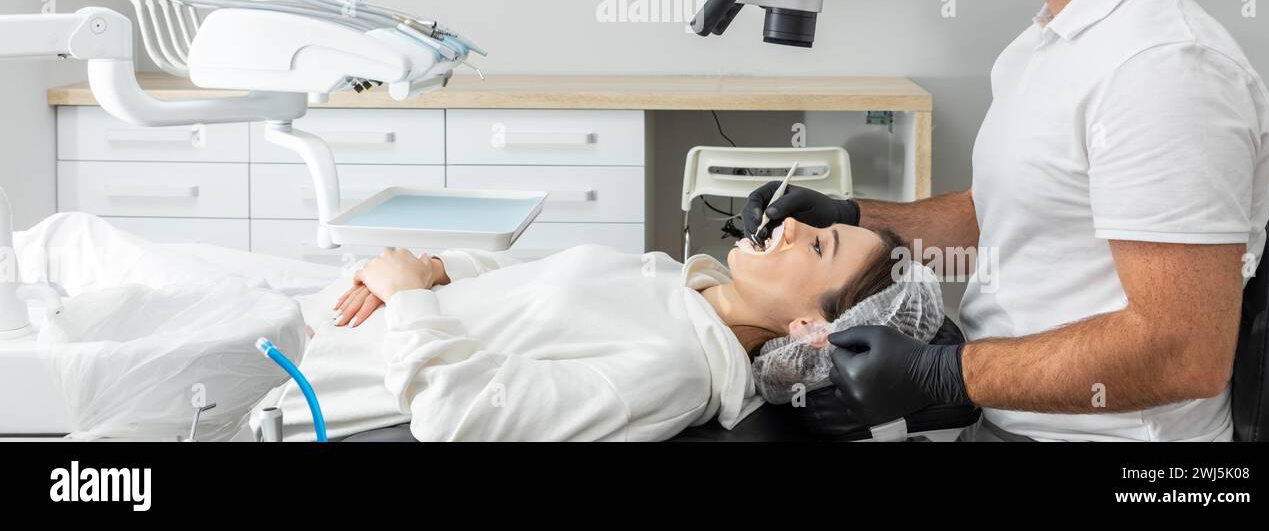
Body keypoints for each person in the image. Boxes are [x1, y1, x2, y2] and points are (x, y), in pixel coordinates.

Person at [743, 0, 1269, 442]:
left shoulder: (1164, 68)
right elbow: (999, 211)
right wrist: (854, 215)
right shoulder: (1046, 46)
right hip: (1007, 423)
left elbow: (1183, 352)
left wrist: (945, 376)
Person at [271, 220, 904, 441]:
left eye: (818, 246)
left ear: (809, 327)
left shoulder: (673, 369)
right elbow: (531, 278)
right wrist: (436, 269)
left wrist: (407, 297)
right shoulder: (678, 281)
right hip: (321, 312)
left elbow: (463, 416)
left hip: (289, 387)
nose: (791, 222)